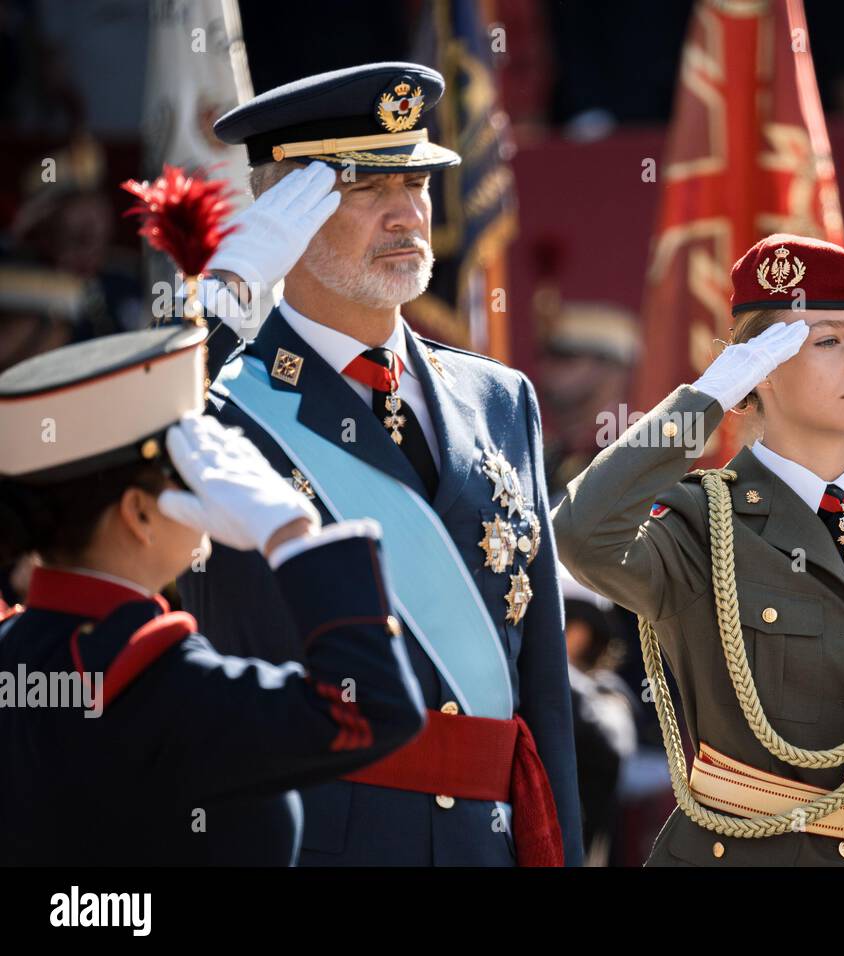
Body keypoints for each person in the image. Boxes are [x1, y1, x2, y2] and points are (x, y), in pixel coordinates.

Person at [179, 62, 582, 866]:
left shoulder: (500, 398)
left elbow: (542, 687)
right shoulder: (214, 403)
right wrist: (218, 304)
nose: (407, 215)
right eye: (365, 188)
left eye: (418, 183)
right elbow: (125, 460)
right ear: (281, 212)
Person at [552, 234, 844, 866]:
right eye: (829, 340)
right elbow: (582, 533)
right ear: (760, 368)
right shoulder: (702, 522)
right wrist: (706, 398)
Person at [0, 325, 425, 865]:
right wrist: (290, 535)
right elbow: (373, 707)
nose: (214, 482)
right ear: (138, 514)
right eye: (191, 468)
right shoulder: (152, 683)